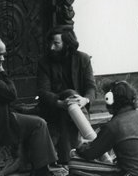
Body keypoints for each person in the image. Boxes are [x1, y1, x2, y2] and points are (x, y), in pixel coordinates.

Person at [0, 36, 66, 176]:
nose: (3, 59)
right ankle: (42, 174)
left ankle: (39, 168)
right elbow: (11, 94)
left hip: (1, 115)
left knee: (37, 118)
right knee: (39, 124)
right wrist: (2, 72)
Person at [67, 81, 138, 176]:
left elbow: (91, 153)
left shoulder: (114, 125)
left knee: (74, 163)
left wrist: (80, 147)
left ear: (110, 101)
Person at [36, 27, 97, 163]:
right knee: (69, 96)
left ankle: (67, 159)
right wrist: (59, 103)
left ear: (67, 44)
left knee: (71, 101)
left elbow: (91, 87)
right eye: (50, 43)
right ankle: (87, 149)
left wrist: (84, 100)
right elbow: (43, 91)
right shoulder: (44, 62)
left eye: (56, 43)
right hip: (54, 107)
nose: (51, 47)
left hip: (76, 106)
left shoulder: (83, 59)